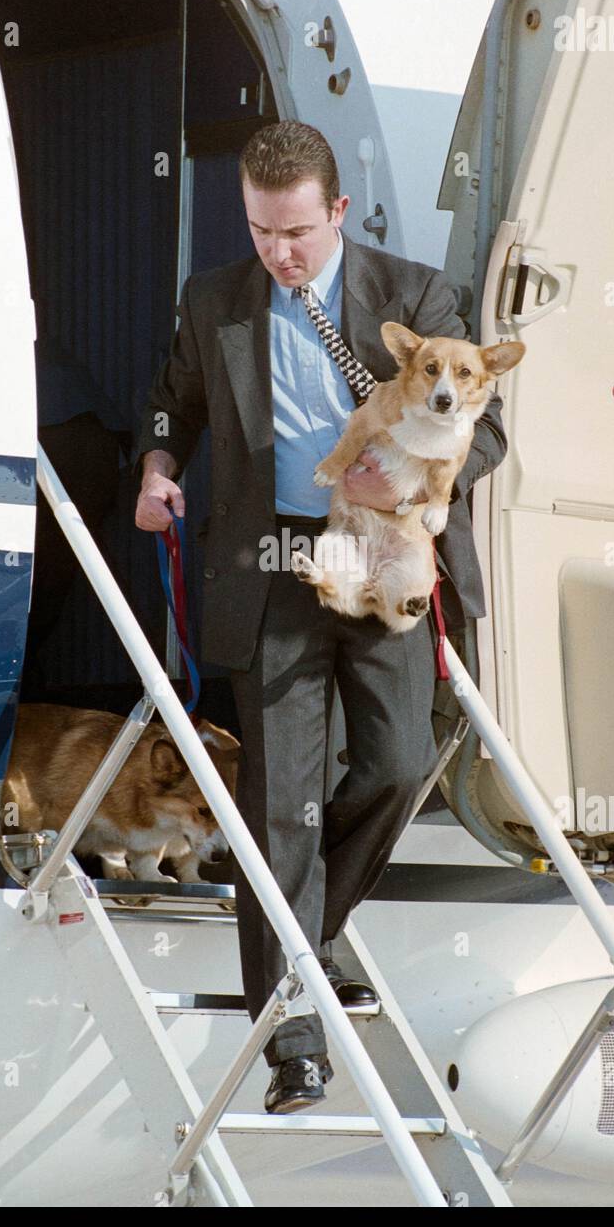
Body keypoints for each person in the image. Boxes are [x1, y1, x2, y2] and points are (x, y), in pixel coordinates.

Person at [133, 120, 506, 1114]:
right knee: (281, 802)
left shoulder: (414, 297)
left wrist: (422, 470)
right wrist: (158, 466)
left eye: (296, 232)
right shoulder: (215, 299)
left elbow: (492, 424)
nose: (279, 252)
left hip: (381, 562)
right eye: (261, 231)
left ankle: (306, 923)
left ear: (336, 211)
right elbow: (174, 401)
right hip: (275, 568)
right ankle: (294, 1038)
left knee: (393, 767)